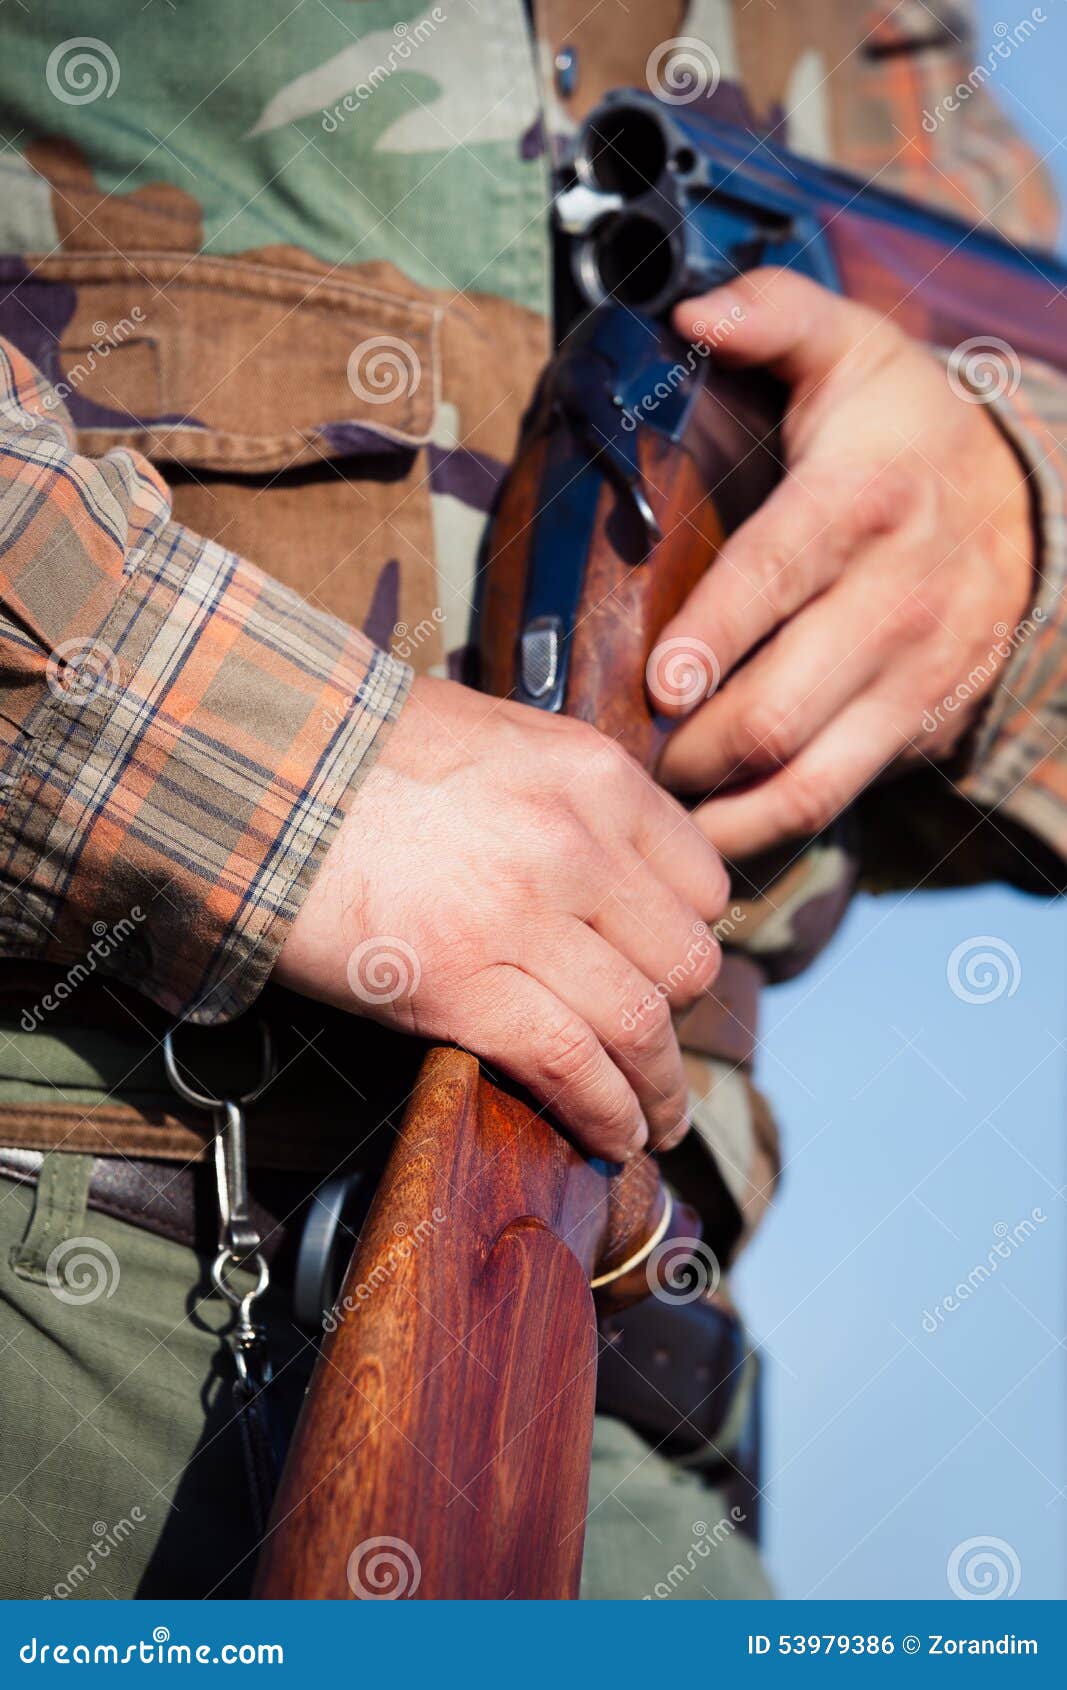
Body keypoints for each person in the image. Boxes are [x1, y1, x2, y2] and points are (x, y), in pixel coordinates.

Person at [0, 1, 1062, 1600]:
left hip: (617, 1342)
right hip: (65, 1173)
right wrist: (243, 749)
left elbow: (1027, 340)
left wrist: (1016, 529)